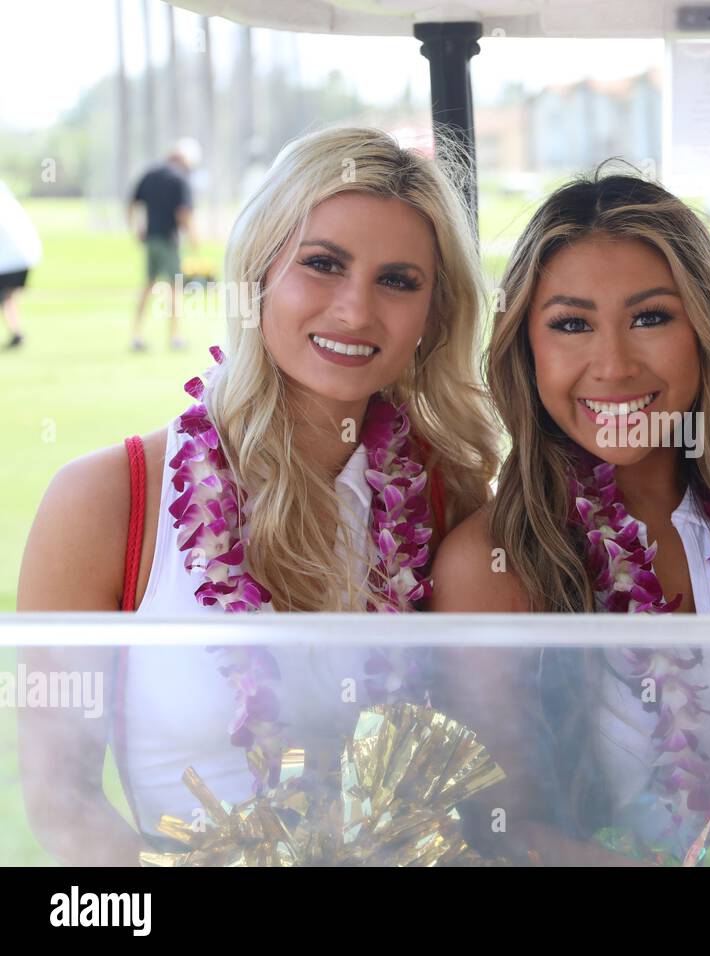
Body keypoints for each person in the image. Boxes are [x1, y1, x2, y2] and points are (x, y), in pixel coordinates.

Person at [16, 126, 502, 865]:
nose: (355, 310)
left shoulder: (451, 499)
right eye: (322, 264)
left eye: (398, 280)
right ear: (258, 271)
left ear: (434, 316)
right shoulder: (107, 499)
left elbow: (489, 785)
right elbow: (62, 801)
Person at [431, 171, 710, 860]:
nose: (613, 364)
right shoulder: (491, 564)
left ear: (705, 328)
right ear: (527, 350)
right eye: (571, 324)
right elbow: (501, 832)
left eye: (650, 317)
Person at [128, 138, 199, 351]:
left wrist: (136, 229)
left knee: (148, 285)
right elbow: (183, 214)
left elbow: (132, 203)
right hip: (169, 240)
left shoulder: (150, 174)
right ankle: (175, 337)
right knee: (174, 287)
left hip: (151, 240)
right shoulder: (181, 180)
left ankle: (136, 335)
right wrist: (193, 237)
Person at [0, 178, 41, 350]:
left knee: (5, 295)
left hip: (10, 259)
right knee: (6, 296)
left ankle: (17, 333)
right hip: (28, 255)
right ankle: (17, 333)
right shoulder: (7, 200)